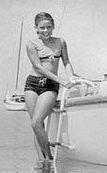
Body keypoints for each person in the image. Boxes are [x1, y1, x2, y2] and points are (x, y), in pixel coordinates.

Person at [24, 12, 76, 162]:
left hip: (49, 86)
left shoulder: (60, 42)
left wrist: (70, 77)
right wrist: (61, 79)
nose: (45, 31)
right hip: (32, 84)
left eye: (49, 27)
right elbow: (38, 67)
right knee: (36, 125)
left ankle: (48, 159)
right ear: (36, 28)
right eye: (42, 28)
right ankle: (43, 161)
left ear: (53, 26)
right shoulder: (31, 44)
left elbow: (66, 62)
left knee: (36, 122)